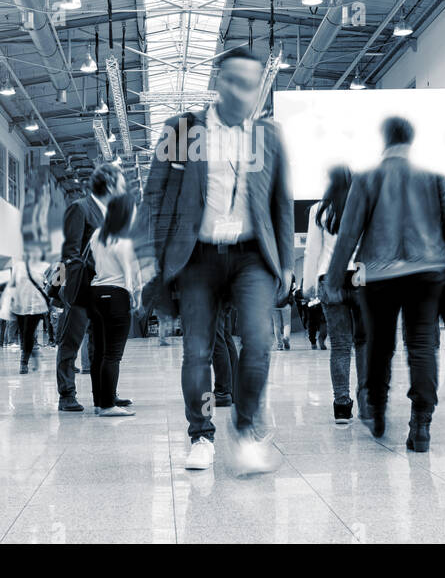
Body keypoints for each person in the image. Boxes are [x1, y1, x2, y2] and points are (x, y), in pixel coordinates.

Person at [143, 46, 294, 474]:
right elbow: (154, 199)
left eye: (251, 84)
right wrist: (155, 264)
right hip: (198, 258)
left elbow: (281, 201)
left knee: (258, 343)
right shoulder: (182, 131)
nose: (242, 92)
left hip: (252, 255)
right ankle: (201, 434)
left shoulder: (268, 136)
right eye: (234, 81)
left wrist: (286, 262)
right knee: (197, 352)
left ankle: (245, 430)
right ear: (218, 81)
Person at [322, 116, 445, 453]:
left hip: (380, 273)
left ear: (384, 138)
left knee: (379, 343)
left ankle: (377, 408)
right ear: (412, 140)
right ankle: (421, 422)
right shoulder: (435, 175)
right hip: (428, 269)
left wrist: (331, 278)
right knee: (421, 344)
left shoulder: (368, 177)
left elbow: (349, 232)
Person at [56, 164, 125, 412]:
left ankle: (104, 396)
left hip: (105, 287)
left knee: (101, 345)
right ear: (108, 185)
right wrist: (80, 282)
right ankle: (67, 395)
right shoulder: (80, 208)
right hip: (83, 288)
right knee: (71, 342)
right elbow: (70, 253)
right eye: (121, 183)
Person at [303, 164, 368, 425]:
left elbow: (312, 250)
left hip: (329, 279)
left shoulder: (318, 210)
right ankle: (366, 402)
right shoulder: (364, 207)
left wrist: (307, 285)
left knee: (340, 346)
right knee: (364, 344)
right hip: (361, 278)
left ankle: (342, 406)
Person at [86, 193, 143, 416]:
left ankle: (100, 401)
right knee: (113, 354)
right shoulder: (123, 240)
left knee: (99, 352)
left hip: (96, 293)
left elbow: (93, 260)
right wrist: (136, 296)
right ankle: (109, 406)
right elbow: (132, 272)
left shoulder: (97, 235)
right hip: (116, 295)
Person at [10, 247, 51, 374]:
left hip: (37, 306)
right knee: (24, 334)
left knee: (28, 333)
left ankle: (24, 363)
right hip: (20, 305)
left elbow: (53, 284)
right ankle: (35, 354)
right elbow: (13, 284)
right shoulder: (18, 266)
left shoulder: (46, 266)